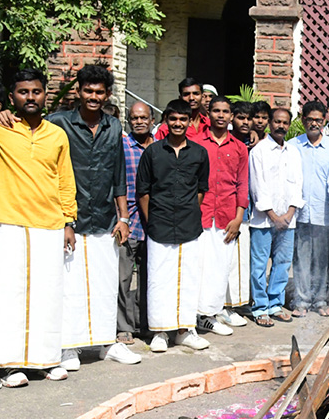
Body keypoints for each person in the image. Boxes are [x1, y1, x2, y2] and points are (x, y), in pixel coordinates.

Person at [46, 65, 140, 370]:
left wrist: (123, 217)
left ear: (108, 95)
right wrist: (63, 221)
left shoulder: (114, 127)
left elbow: (118, 176)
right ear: (78, 91)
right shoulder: (57, 123)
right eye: (88, 90)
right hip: (68, 219)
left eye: (100, 92)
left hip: (104, 218)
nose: (94, 97)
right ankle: (69, 347)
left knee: (104, 283)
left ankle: (105, 342)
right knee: (70, 285)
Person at [138, 99, 211, 353]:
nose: (178, 123)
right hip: (159, 226)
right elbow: (143, 192)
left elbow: (201, 190)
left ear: (190, 121)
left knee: (188, 278)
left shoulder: (199, 153)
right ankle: (160, 332)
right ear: (166, 121)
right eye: (173, 119)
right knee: (159, 278)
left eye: (183, 119)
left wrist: (188, 211)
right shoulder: (153, 152)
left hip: (189, 226)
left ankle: (184, 330)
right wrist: (153, 220)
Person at [193, 96, 250, 335]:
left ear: (230, 116)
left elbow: (242, 184)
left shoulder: (239, 147)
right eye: (215, 110)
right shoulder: (195, 142)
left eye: (225, 111)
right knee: (196, 266)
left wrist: (238, 218)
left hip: (227, 217)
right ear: (209, 113)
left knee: (219, 268)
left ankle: (210, 314)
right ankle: (192, 315)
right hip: (199, 214)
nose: (220, 115)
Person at [248, 108, 303, 326]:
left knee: (282, 263)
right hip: (263, 219)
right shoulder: (259, 151)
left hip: (288, 220)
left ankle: (275, 304)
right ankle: (260, 307)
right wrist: (272, 215)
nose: (281, 126)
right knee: (260, 264)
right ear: (270, 123)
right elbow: (257, 186)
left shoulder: (293, 152)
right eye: (277, 122)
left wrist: (289, 213)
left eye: (285, 122)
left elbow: (298, 185)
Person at [290, 101, 329, 317]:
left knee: (322, 259)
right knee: (300, 258)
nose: (314, 123)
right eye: (310, 119)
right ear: (303, 120)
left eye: (319, 120)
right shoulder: (292, 146)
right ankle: (301, 300)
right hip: (298, 213)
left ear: (324, 121)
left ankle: (320, 300)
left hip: (324, 213)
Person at [118, 102, 153, 343]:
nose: (139, 121)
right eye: (134, 118)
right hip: (128, 222)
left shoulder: (160, 148)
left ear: (152, 120)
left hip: (153, 223)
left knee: (148, 278)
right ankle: (123, 327)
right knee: (122, 279)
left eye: (143, 118)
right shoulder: (121, 146)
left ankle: (145, 324)